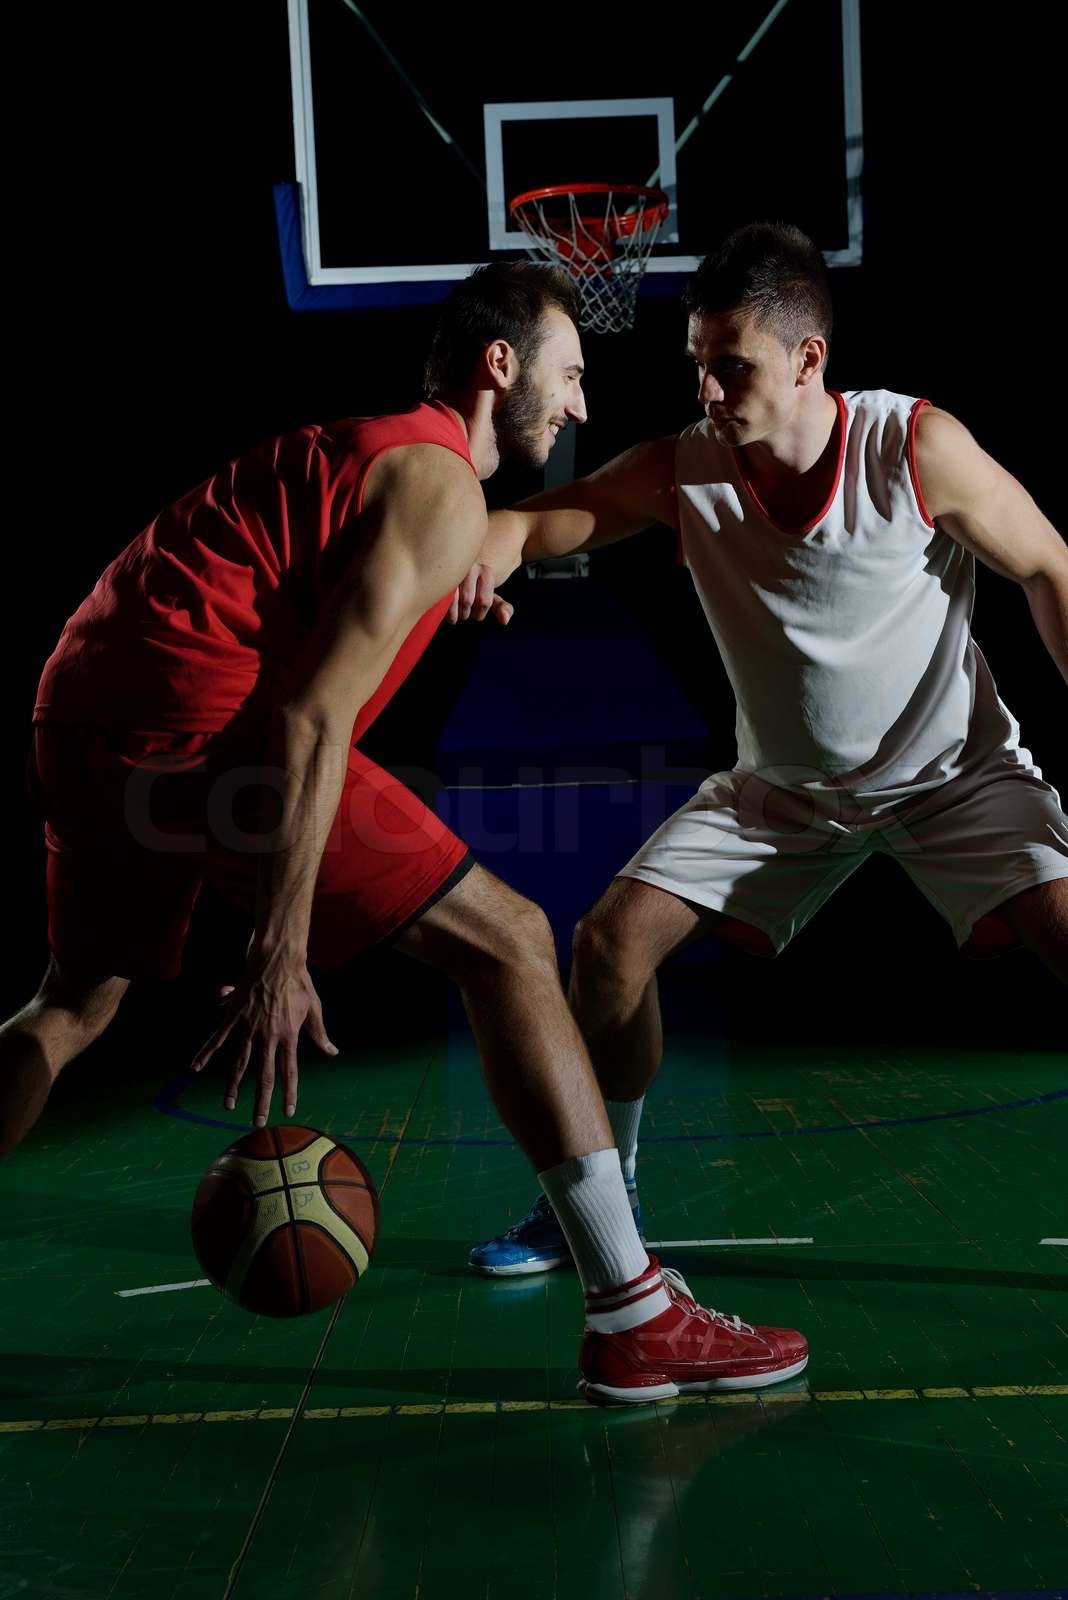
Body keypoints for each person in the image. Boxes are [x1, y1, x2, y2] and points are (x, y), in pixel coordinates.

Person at [0, 260, 807, 1404]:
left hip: (78, 706)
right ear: (500, 366)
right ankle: (634, 1315)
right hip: (196, 722)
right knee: (515, 939)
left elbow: (304, 591)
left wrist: (444, 579)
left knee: (71, 1007)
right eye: (569, 375)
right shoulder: (435, 480)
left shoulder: (377, 461)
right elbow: (312, 712)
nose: (581, 405)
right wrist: (277, 952)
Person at [464, 223, 1068, 1276]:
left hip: (955, 777)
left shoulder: (913, 447)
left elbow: (1051, 567)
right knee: (609, 946)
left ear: (808, 359)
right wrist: (470, 552)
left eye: (730, 364)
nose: (707, 388)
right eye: (698, 363)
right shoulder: (685, 471)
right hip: (781, 794)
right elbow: (539, 523)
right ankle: (601, 1198)